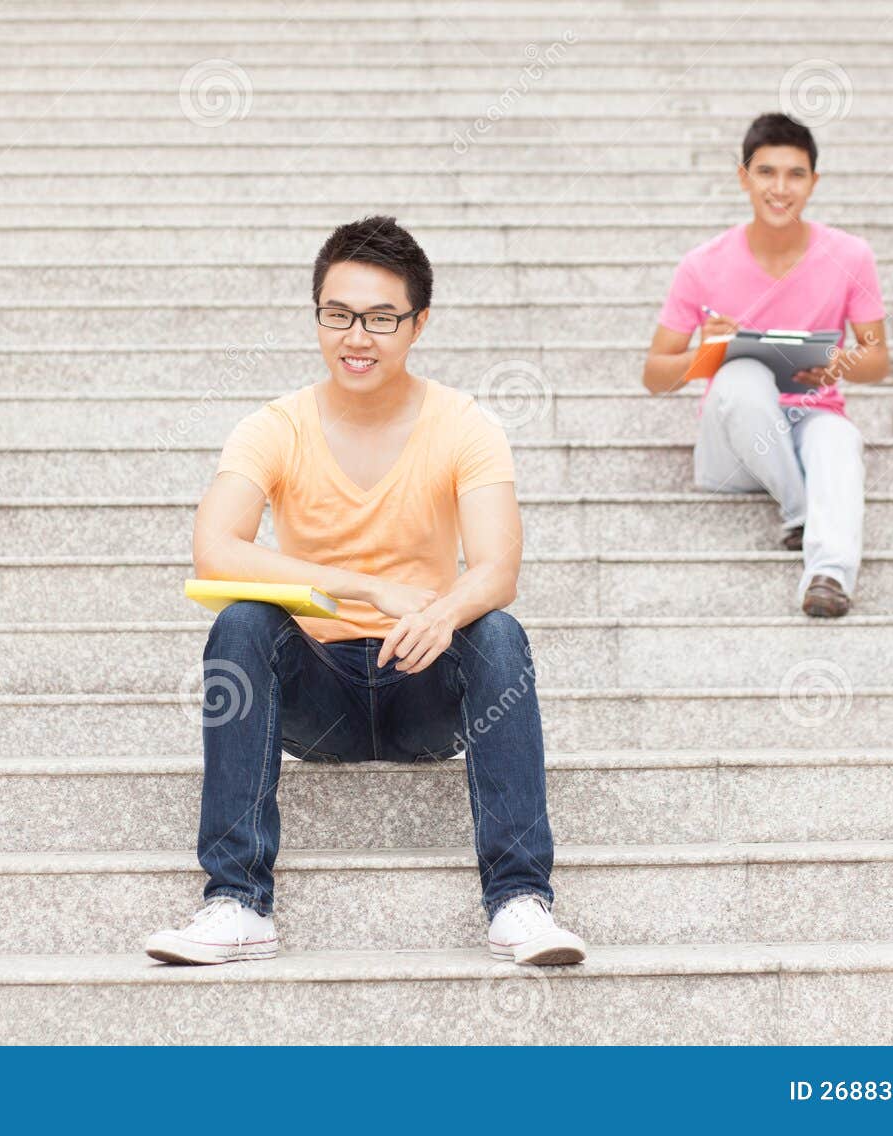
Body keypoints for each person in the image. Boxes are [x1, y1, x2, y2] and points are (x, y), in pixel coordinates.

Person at [145, 216, 587, 967]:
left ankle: (519, 900)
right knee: (243, 619)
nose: (357, 336)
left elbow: (497, 568)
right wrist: (366, 587)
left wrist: (441, 611)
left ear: (418, 324)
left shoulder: (466, 424)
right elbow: (215, 548)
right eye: (338, 314)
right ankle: (237, 902)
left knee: (499, 630)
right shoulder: (273, 427)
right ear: (317, 315)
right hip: (319, 698)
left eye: (382, 318)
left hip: (424, 686)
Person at [642, 112, 889, 617]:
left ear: (814, 182)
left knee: (840, 437)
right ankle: (802, 509)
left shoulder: (851, 255)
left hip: (809, 420)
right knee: (741, 374)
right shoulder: (702, 264)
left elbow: (879, 358)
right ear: (744, 177)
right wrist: (706, 354)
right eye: (766, 172)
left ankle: (828, 576)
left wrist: (841, 363)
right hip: (732, 447)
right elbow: (653, 375)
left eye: (795, 174)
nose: (781, 188)